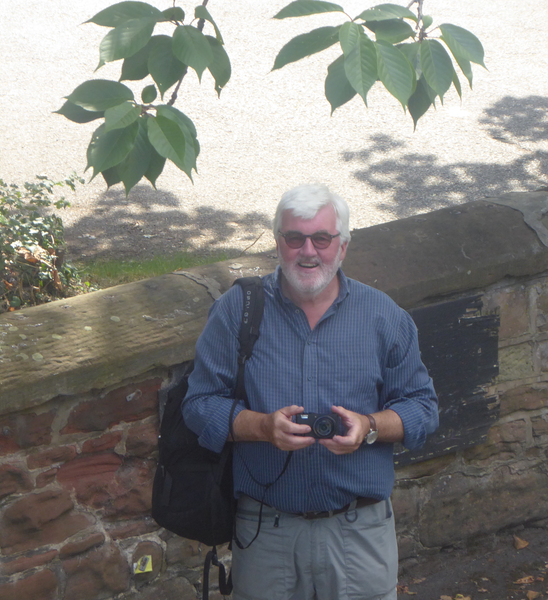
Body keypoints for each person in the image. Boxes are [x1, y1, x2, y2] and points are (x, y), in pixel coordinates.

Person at [183, 184, 439, 600]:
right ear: (277, 242)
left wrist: (369, 426)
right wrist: (263, 427)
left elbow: (423, 408)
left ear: (343, 246)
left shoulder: (383, 316)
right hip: (267, 533)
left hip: (359, 531)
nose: (308, 251)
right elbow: (198, 404)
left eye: (321, 238)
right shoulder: (238, 311)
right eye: (294, 238)